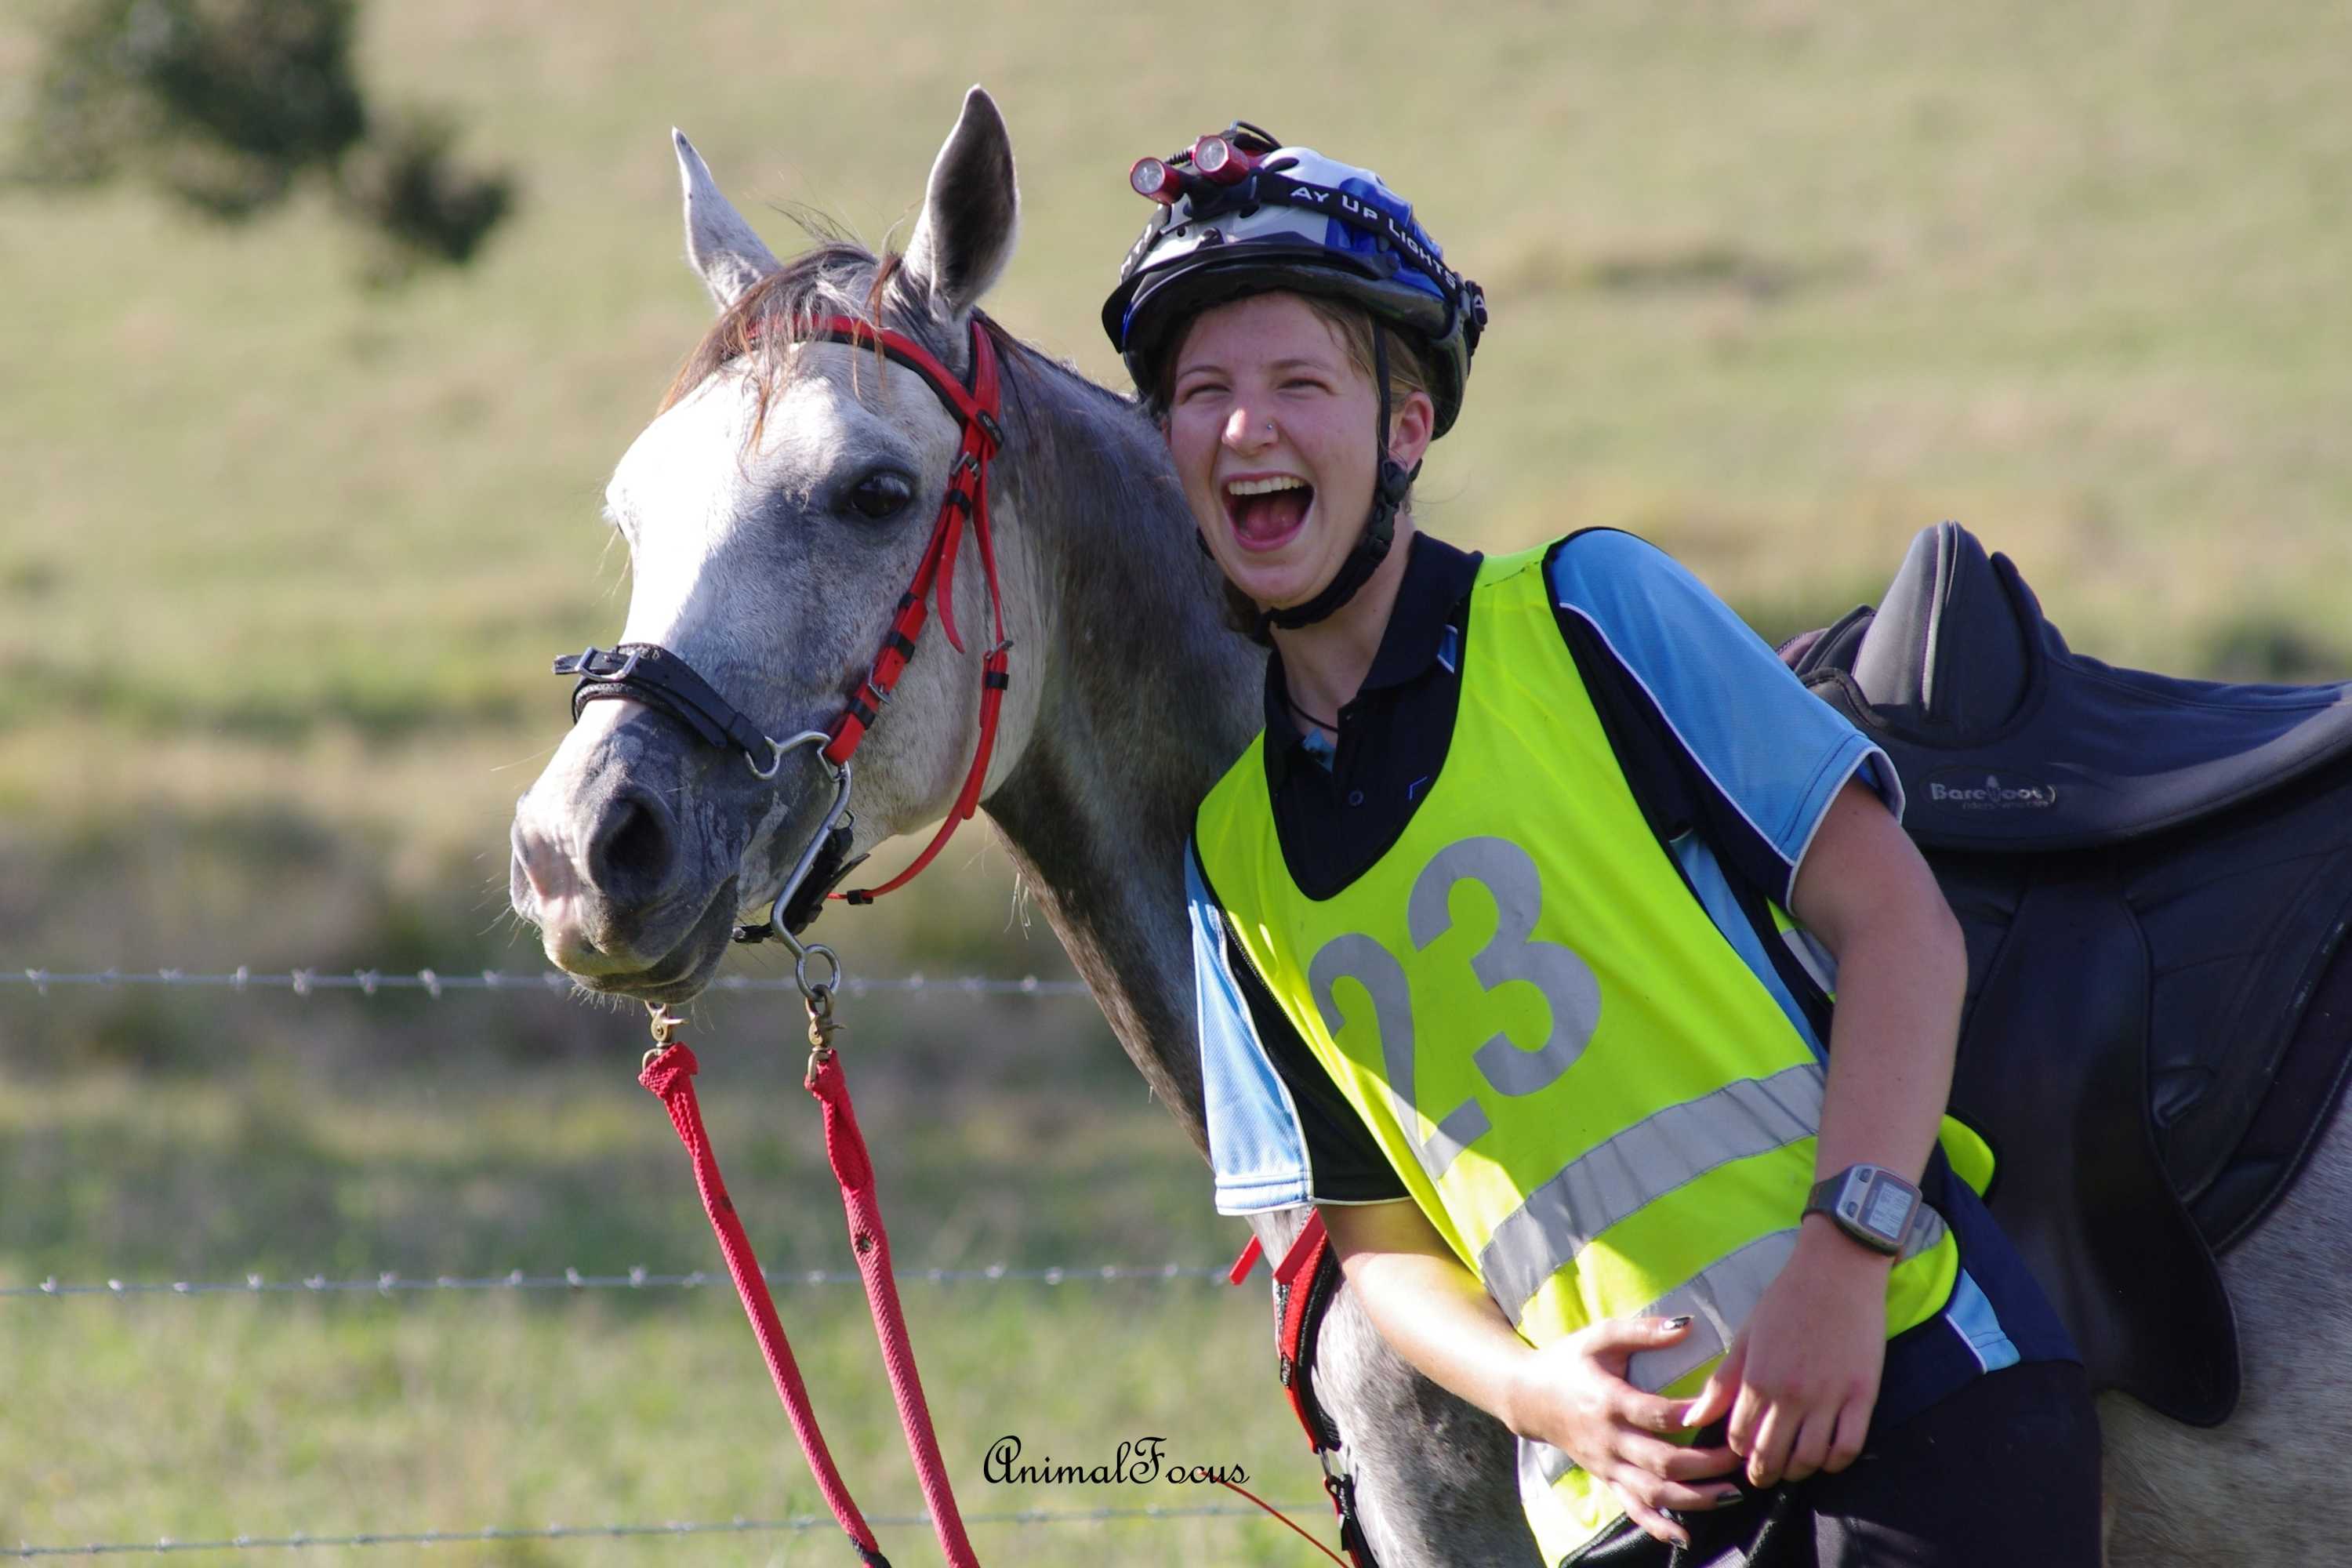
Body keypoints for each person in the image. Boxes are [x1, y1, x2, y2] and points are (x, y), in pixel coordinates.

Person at [1100, 125, 2100, 1566]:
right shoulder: (1233, 857)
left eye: (1296, 384)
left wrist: (1841, 1260)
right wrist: (1540, 1398)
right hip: (1624, 1517)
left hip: (1914, 1401)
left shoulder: (1586, 615)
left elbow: (1901, 926)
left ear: (1405, 427)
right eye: (1203, 395)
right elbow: (1375, 1241)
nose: (1244, 428)